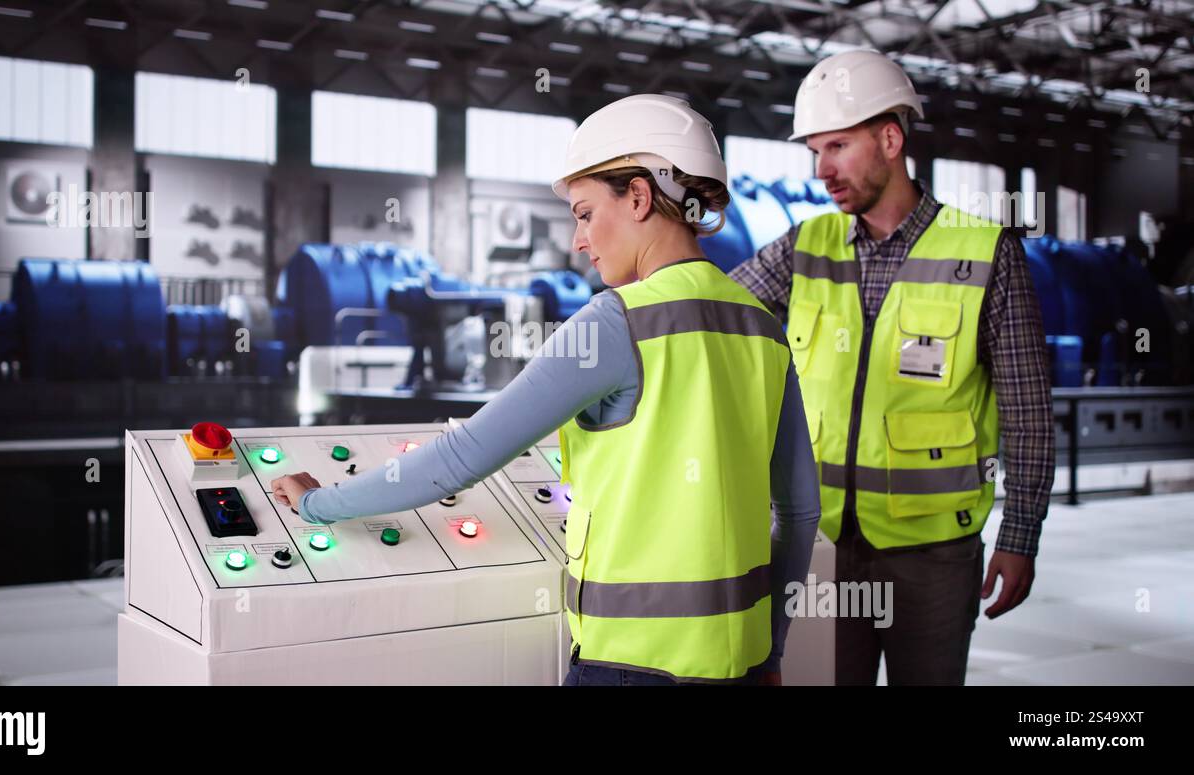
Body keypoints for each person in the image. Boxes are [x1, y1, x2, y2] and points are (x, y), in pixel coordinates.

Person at [273, 94, 821, 685]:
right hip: (738, 663)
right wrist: (772, 651)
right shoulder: (761, 325)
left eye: (585, 214)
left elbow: (458, 460)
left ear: (638, 196)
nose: (577, 242)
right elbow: (798, 510)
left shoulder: (617, 323)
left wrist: (318, 502)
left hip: (631, 664)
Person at [728, 50, 1055, 685]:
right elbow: (715, 314)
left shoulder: (986, 253)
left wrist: (1021, 536)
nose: (822, 169)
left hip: (932, 555)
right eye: (814, 152)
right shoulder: (804, 247)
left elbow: (1028, 409)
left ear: (889, 138)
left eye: (838, 147)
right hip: (818, 544)